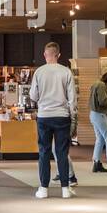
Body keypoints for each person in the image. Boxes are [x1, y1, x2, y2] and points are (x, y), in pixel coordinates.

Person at [30, 41, 76, 199]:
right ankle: (65, 189)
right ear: (59, 55)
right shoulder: (66, 72)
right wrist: (72, 115)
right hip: (62, 116)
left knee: (44, 152)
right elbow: (72, 98)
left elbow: (33, 96)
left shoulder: (39, 72)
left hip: (44, 116)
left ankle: (43, 188)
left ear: (45, 55)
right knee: (62, 152)